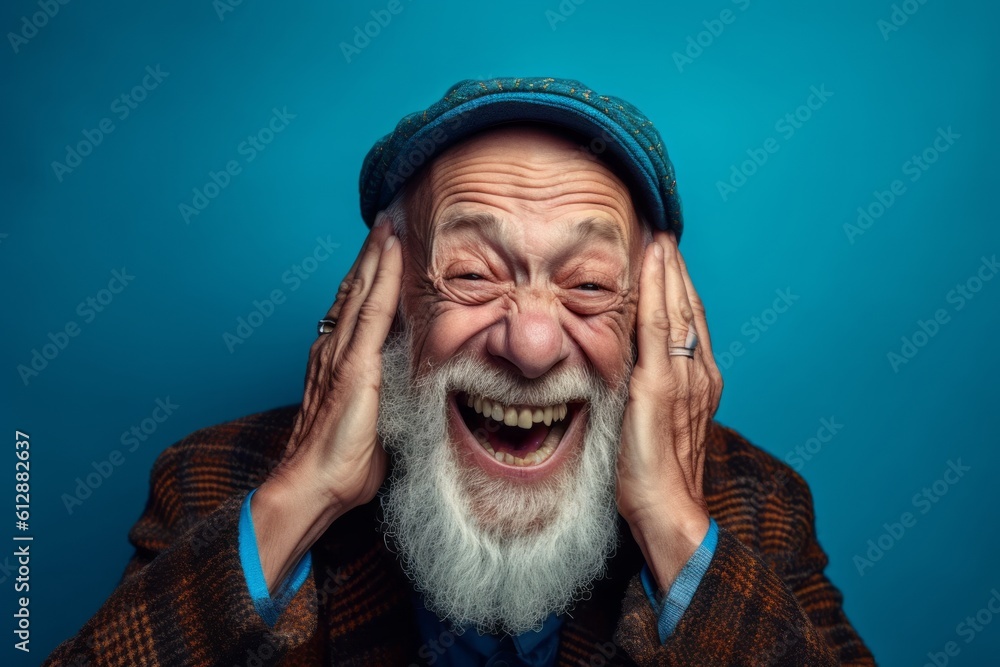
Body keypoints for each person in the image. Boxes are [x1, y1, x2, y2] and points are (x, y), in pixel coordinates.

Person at [45, 77, 875, 666]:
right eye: (473, 273)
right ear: (389, 300)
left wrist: (670, 526)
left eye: (590, 285)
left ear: (654, 318)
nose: (532, 345)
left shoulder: (755, 506)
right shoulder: (217, 483)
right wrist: (305, 497)